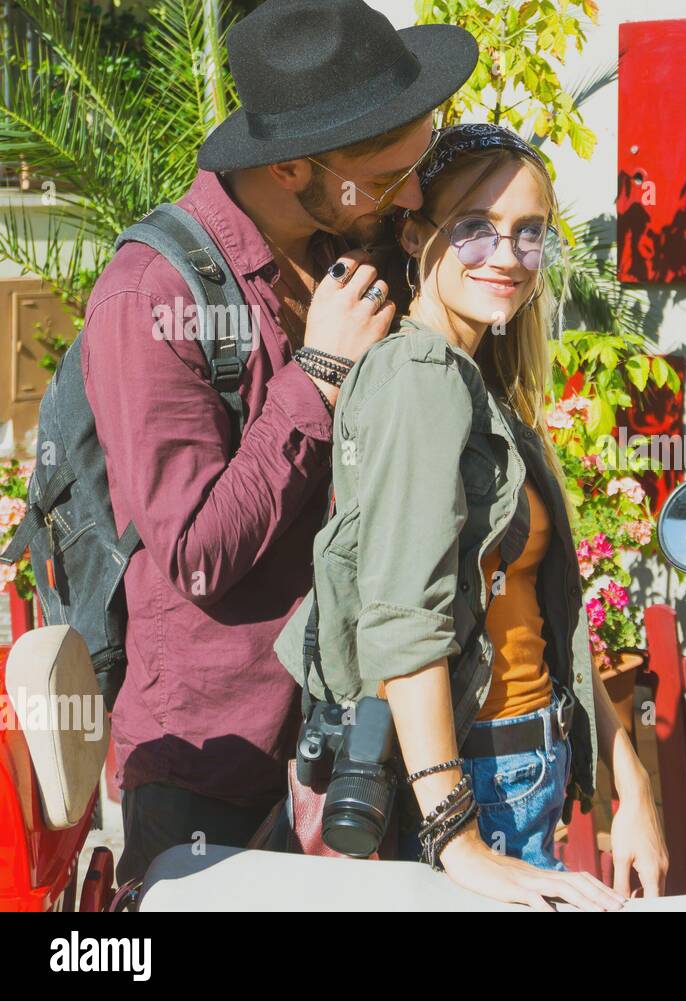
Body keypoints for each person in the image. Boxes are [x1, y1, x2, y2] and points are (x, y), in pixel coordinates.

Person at [85, 0, 478, 884]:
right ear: (294, 166)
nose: (410, 194)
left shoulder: (354, 245)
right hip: (218, 765)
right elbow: (194, 552)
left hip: (360, 742)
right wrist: (321, 374)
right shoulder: (151, 293)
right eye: (387, 176)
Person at [276, 124, 669, 911]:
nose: (506, 254)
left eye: (530, 232)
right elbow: (402, 618)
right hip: (474, 782)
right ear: (418, 233)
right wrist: (457, 838)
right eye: (475, 228)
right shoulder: (420, 374)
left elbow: (541, 617)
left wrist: (632, 782)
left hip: (525, 766)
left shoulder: (474, 379)